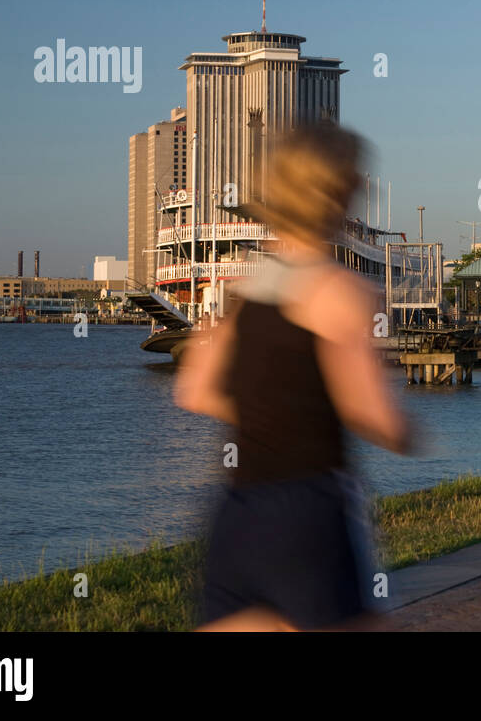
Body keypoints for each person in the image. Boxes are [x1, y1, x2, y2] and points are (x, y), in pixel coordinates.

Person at [174, 121, 412, 631]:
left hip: (237, 514)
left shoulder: (248, 292)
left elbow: (193, 388)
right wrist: (411, 433)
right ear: (340, 196)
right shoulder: (339, 292)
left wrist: (269, 411)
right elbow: (374, 415)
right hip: (308, 512)